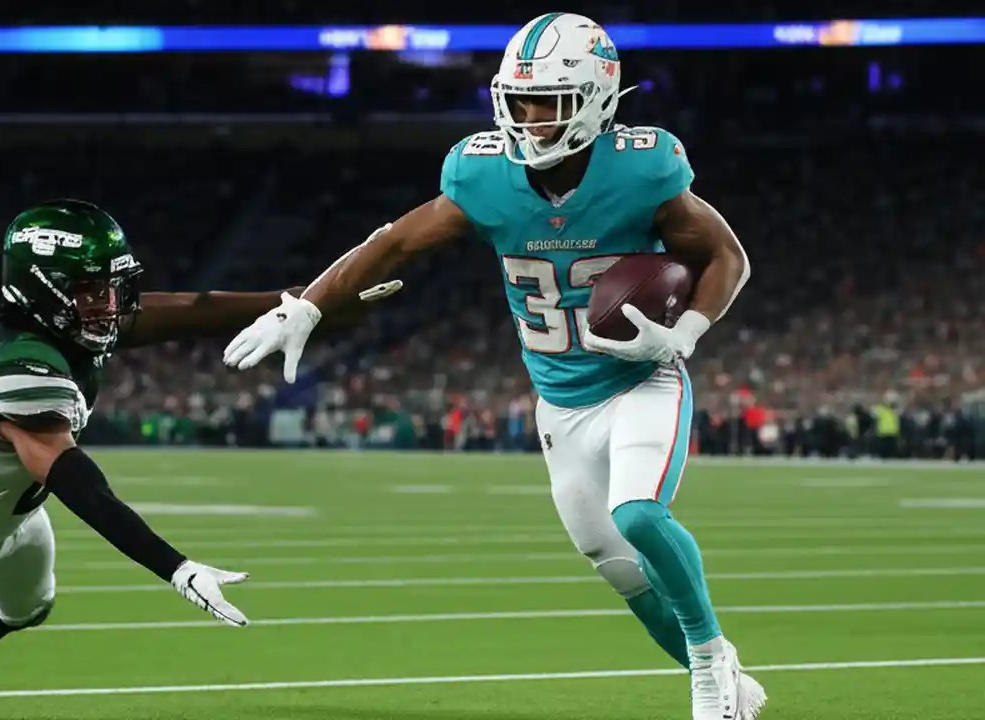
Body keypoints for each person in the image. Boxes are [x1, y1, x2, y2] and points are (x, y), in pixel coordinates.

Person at [222, 14, 762, 720]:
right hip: (559, 400)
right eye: (519, 100)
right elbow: (394, 244)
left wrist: (683, 333)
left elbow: (727, 256)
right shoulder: (483, 175)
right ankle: (721, 671)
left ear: (597, 99)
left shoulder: (642, 168)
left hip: (641, 380)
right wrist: (308, 306)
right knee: (615, 566)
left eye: (547, 102)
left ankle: (709, 666)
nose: (528, 118)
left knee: (637, 514)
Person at [0, 198, 398, 719]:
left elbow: (194, 310)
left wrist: (307, 303)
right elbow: (81, 485)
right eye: (90, 290)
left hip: (13, 514)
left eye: (110, 286)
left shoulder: (55, 321)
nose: (109, 303)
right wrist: (176, 567)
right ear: (43, 289)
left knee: (27, 608)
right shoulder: (17, 369)